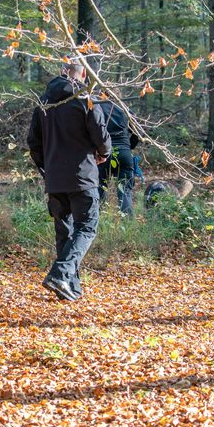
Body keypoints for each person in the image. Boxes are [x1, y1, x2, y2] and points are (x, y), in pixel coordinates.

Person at [27, 60, 111, 301]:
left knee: (65, 233)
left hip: (55, 179)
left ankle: (69, 289)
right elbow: (100, 134)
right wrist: (104, 153)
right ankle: (61, 274)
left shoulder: (44, 102)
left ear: (63, 71)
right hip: (82, 176)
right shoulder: (85, 99)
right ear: (84, 74)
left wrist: (47, 168)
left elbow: (33, 142)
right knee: (86, 227)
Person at [96, 100, 141, 215]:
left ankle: (100, 217)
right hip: (124, 152)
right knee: (125, 190)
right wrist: (129, 147)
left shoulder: (97, 108)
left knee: (100, 186)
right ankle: (127, 220)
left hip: (104, 153)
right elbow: (138, 132)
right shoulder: (125, 109)